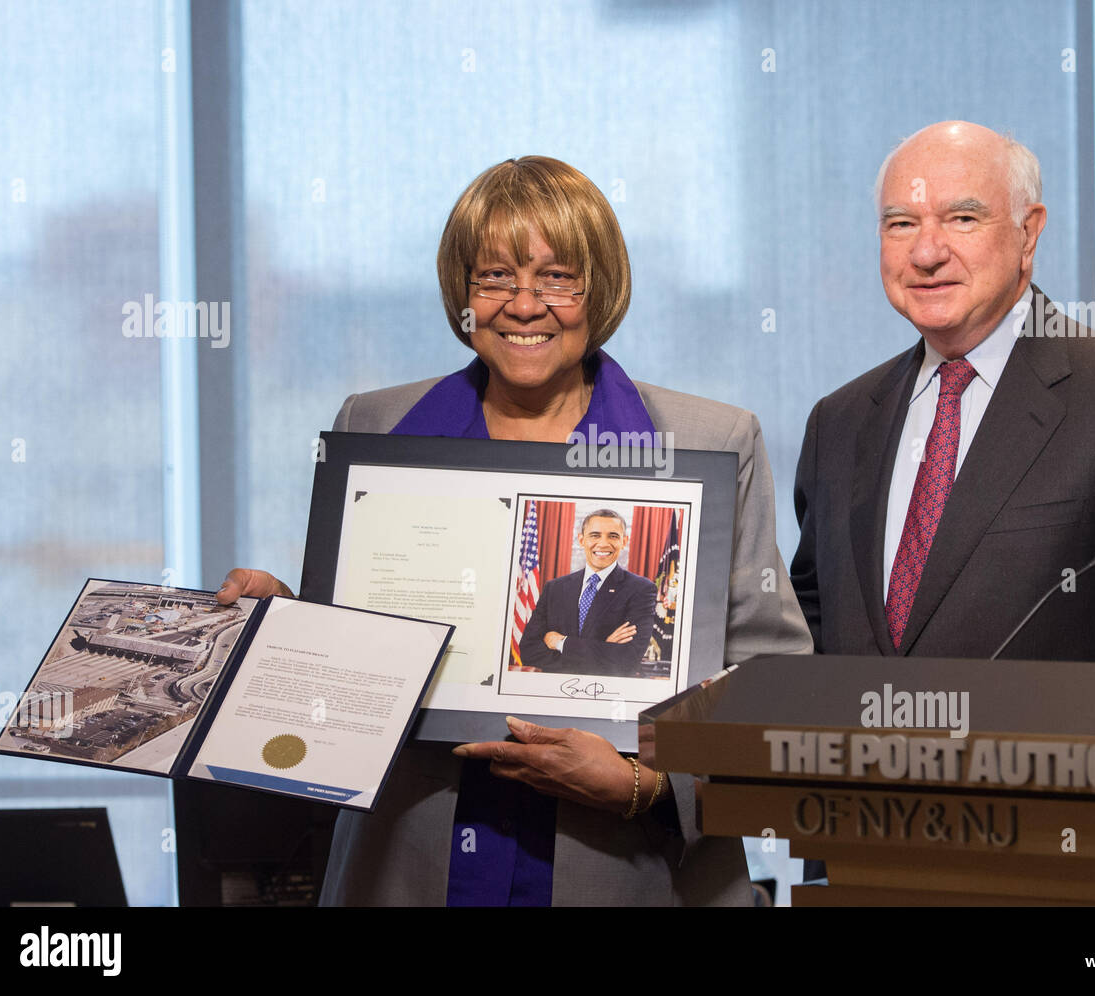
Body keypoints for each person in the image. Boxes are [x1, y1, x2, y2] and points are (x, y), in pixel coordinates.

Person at [219, 155, 812, 905]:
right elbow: (353, 662)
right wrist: (281, 625)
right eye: (494, 276)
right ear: (461, 294)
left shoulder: (712, 441)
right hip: (409, 870)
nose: (524, 305)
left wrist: (646, 785)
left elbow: (772, 684)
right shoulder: (374, 426)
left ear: (600, 289)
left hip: (633, 875)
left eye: (558, 277)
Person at [790, 120, 1095, 665]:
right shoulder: (837, 423)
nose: (927, 252)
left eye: (963, 218)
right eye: (901, 223)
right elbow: (804, 656)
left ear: (1029, 232)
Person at [516, 508, 658, 677]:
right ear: (581, 540)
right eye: (595, 535)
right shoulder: (554, 588)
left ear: (624, 541)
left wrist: (562, 643)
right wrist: (602, 649)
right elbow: (528, 651)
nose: (603, 543)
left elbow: (627, 659)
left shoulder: (641, 589)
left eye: (613, 536)